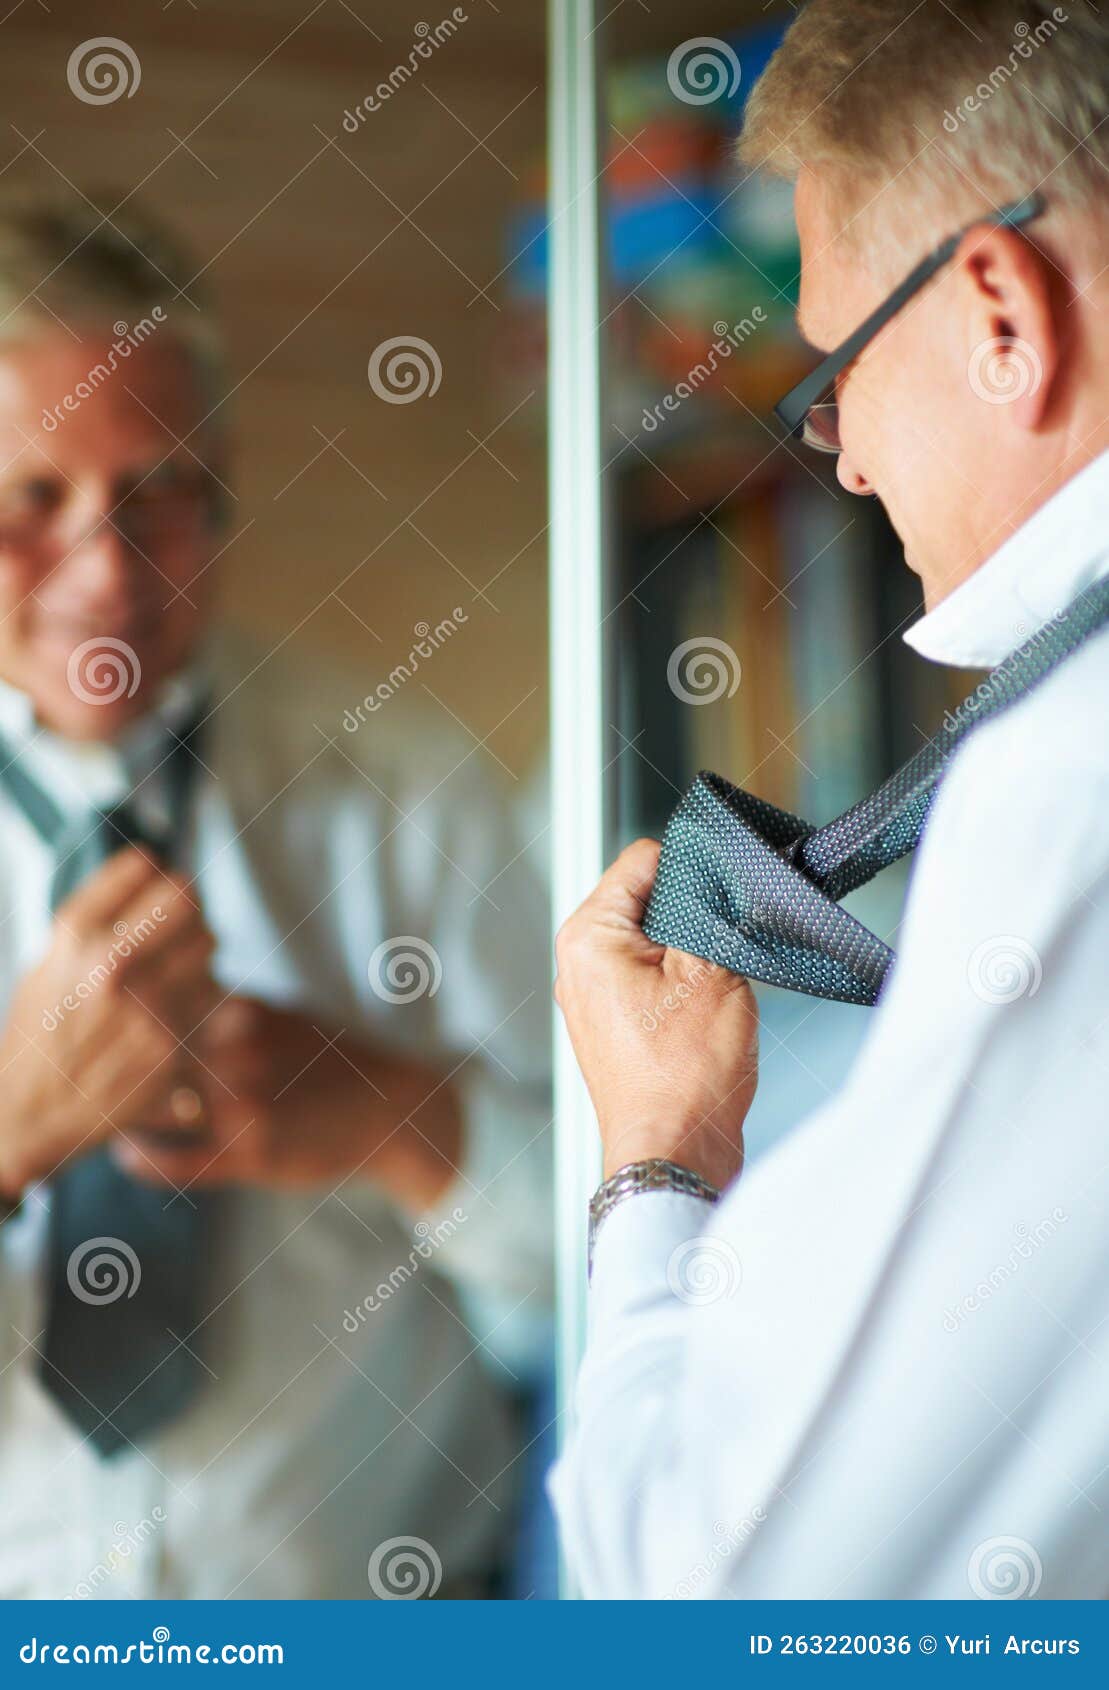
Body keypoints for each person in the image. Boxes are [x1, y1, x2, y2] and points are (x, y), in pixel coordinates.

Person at [551, 0, 1109, 1599]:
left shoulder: (1062, 792)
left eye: (836, 369)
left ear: (999, 310)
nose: (843, 461)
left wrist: (657, 1157)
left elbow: (707, 1586)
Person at [0, 188, 552, 1599]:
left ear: (226, 480)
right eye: (30, 499)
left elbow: (621, 1246)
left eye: (159, 492)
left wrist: (395, 1113)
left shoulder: (411, 784)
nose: (106, 569)